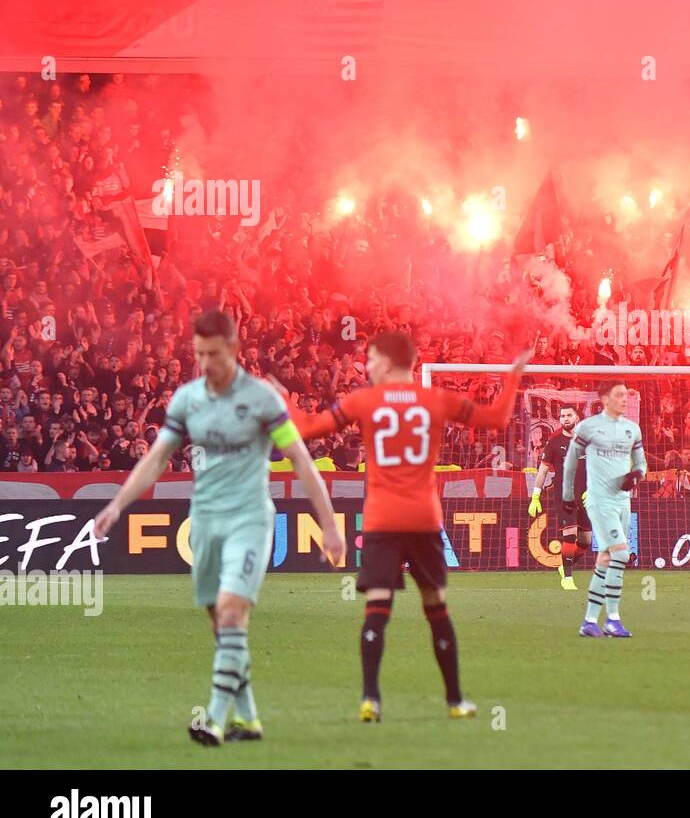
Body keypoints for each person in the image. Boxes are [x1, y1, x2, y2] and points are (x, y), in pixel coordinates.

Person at [92, 309, 344, 746]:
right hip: (204, 521)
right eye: (199, 353)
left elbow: (302, 461)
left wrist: (330, 526)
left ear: (233, 349)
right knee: (221, 624)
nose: (204, 362)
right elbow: (155, 459)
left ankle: (213, 718)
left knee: (231, 612)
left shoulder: (264, 401)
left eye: (212, 353)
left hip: (249, 518)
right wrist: (116, 505)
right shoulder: (188, 400)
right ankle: (248, 720)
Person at [278, 330, 528, 722]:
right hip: (424, 519)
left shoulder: (365, 401)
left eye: (372, 359)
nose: (369, 365)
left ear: (390, 362)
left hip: (381, 520)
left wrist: (283, 401)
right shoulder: (436, 400)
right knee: (436, 608)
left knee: (378, 606)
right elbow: (496, 418)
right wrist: (513, 376)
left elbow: (307, 429)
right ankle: (455, 701)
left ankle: (370, 699)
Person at [563, 380, 646, 638]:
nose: (624, 399)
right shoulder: (589, 427)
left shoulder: (632, 429)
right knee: (620, 554)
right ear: (604, 399)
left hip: (623, 501)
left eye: (626, 395)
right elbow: (570, 461)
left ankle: (591, 621)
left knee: (607, 559)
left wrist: (636, 475)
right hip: (599, 501)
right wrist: (567, 494)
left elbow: (640, 463)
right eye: (619, 395)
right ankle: (612, 619)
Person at [530, 403, 593, 590]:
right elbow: (542, 472)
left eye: (568, 415)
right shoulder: (554, 441)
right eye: (562, 416)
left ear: (577, 418)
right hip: (564, 495)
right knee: (570, 535)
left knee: (585, 540)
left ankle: (565, 566)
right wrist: (535, 496)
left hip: (585, 495)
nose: (565, 418)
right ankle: (567, 578)